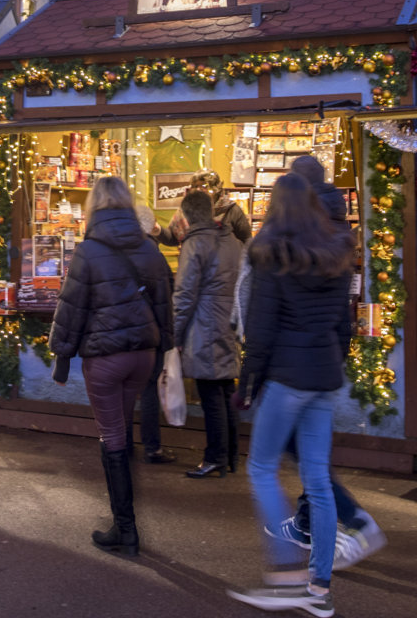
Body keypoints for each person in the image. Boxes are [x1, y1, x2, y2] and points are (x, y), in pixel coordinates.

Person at [227, 173, 355, 618]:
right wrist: (335, 359)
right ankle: (320, 586)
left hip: (286, 377)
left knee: (261, 468)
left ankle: (285, 576)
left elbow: (260, 332)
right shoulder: (337, 254)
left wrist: (247, 385)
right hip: (324, 376)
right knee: (317, 481)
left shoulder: (272, 257)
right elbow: (344, 323)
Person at [50, 175, 174, 558]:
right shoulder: (149, 249)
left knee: (112, 437)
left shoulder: (89, 252)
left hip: (106, 356)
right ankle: (125, 522)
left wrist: (62, 356)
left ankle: (126, 529)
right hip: (142, 355)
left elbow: (72, 307)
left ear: (94, 208)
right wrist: (165, 349)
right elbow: (164, 303)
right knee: (122, 426)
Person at [274, 154, 387, 569]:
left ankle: (353, 523)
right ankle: (310, 523)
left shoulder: (302, 230)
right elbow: (339, 306)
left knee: (300, 449)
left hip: (299, 360)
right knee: (308, 447)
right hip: (324, 357)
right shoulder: (338, 228)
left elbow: (289, 303)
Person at [173, 189, 242, 478]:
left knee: (212, 394)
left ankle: (215, 456)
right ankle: (230, 455)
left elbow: (184, 295)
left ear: (187, 216)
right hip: (229, 324)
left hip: (204, 326)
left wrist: (173, 336)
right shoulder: (233, 241)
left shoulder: (196, 243)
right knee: (226, 391)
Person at [127, 202, 176, 464]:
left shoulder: (113, 251)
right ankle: (152, 447)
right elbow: (166, 295)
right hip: (149, 332)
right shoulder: (153, 253)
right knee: (148, 391)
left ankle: (120, 444)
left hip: (122, 335)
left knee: (124, 391)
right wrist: (168, 338)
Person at [158, 169, 251, 246]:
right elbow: (172, 239)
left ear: (215, 188)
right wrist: (157, 230)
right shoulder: (185, 211)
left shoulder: (231, 210)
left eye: (203, 186)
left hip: (223, 265)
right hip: (194, 262)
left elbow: (246, 242)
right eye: (195, 186)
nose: (198, 190)